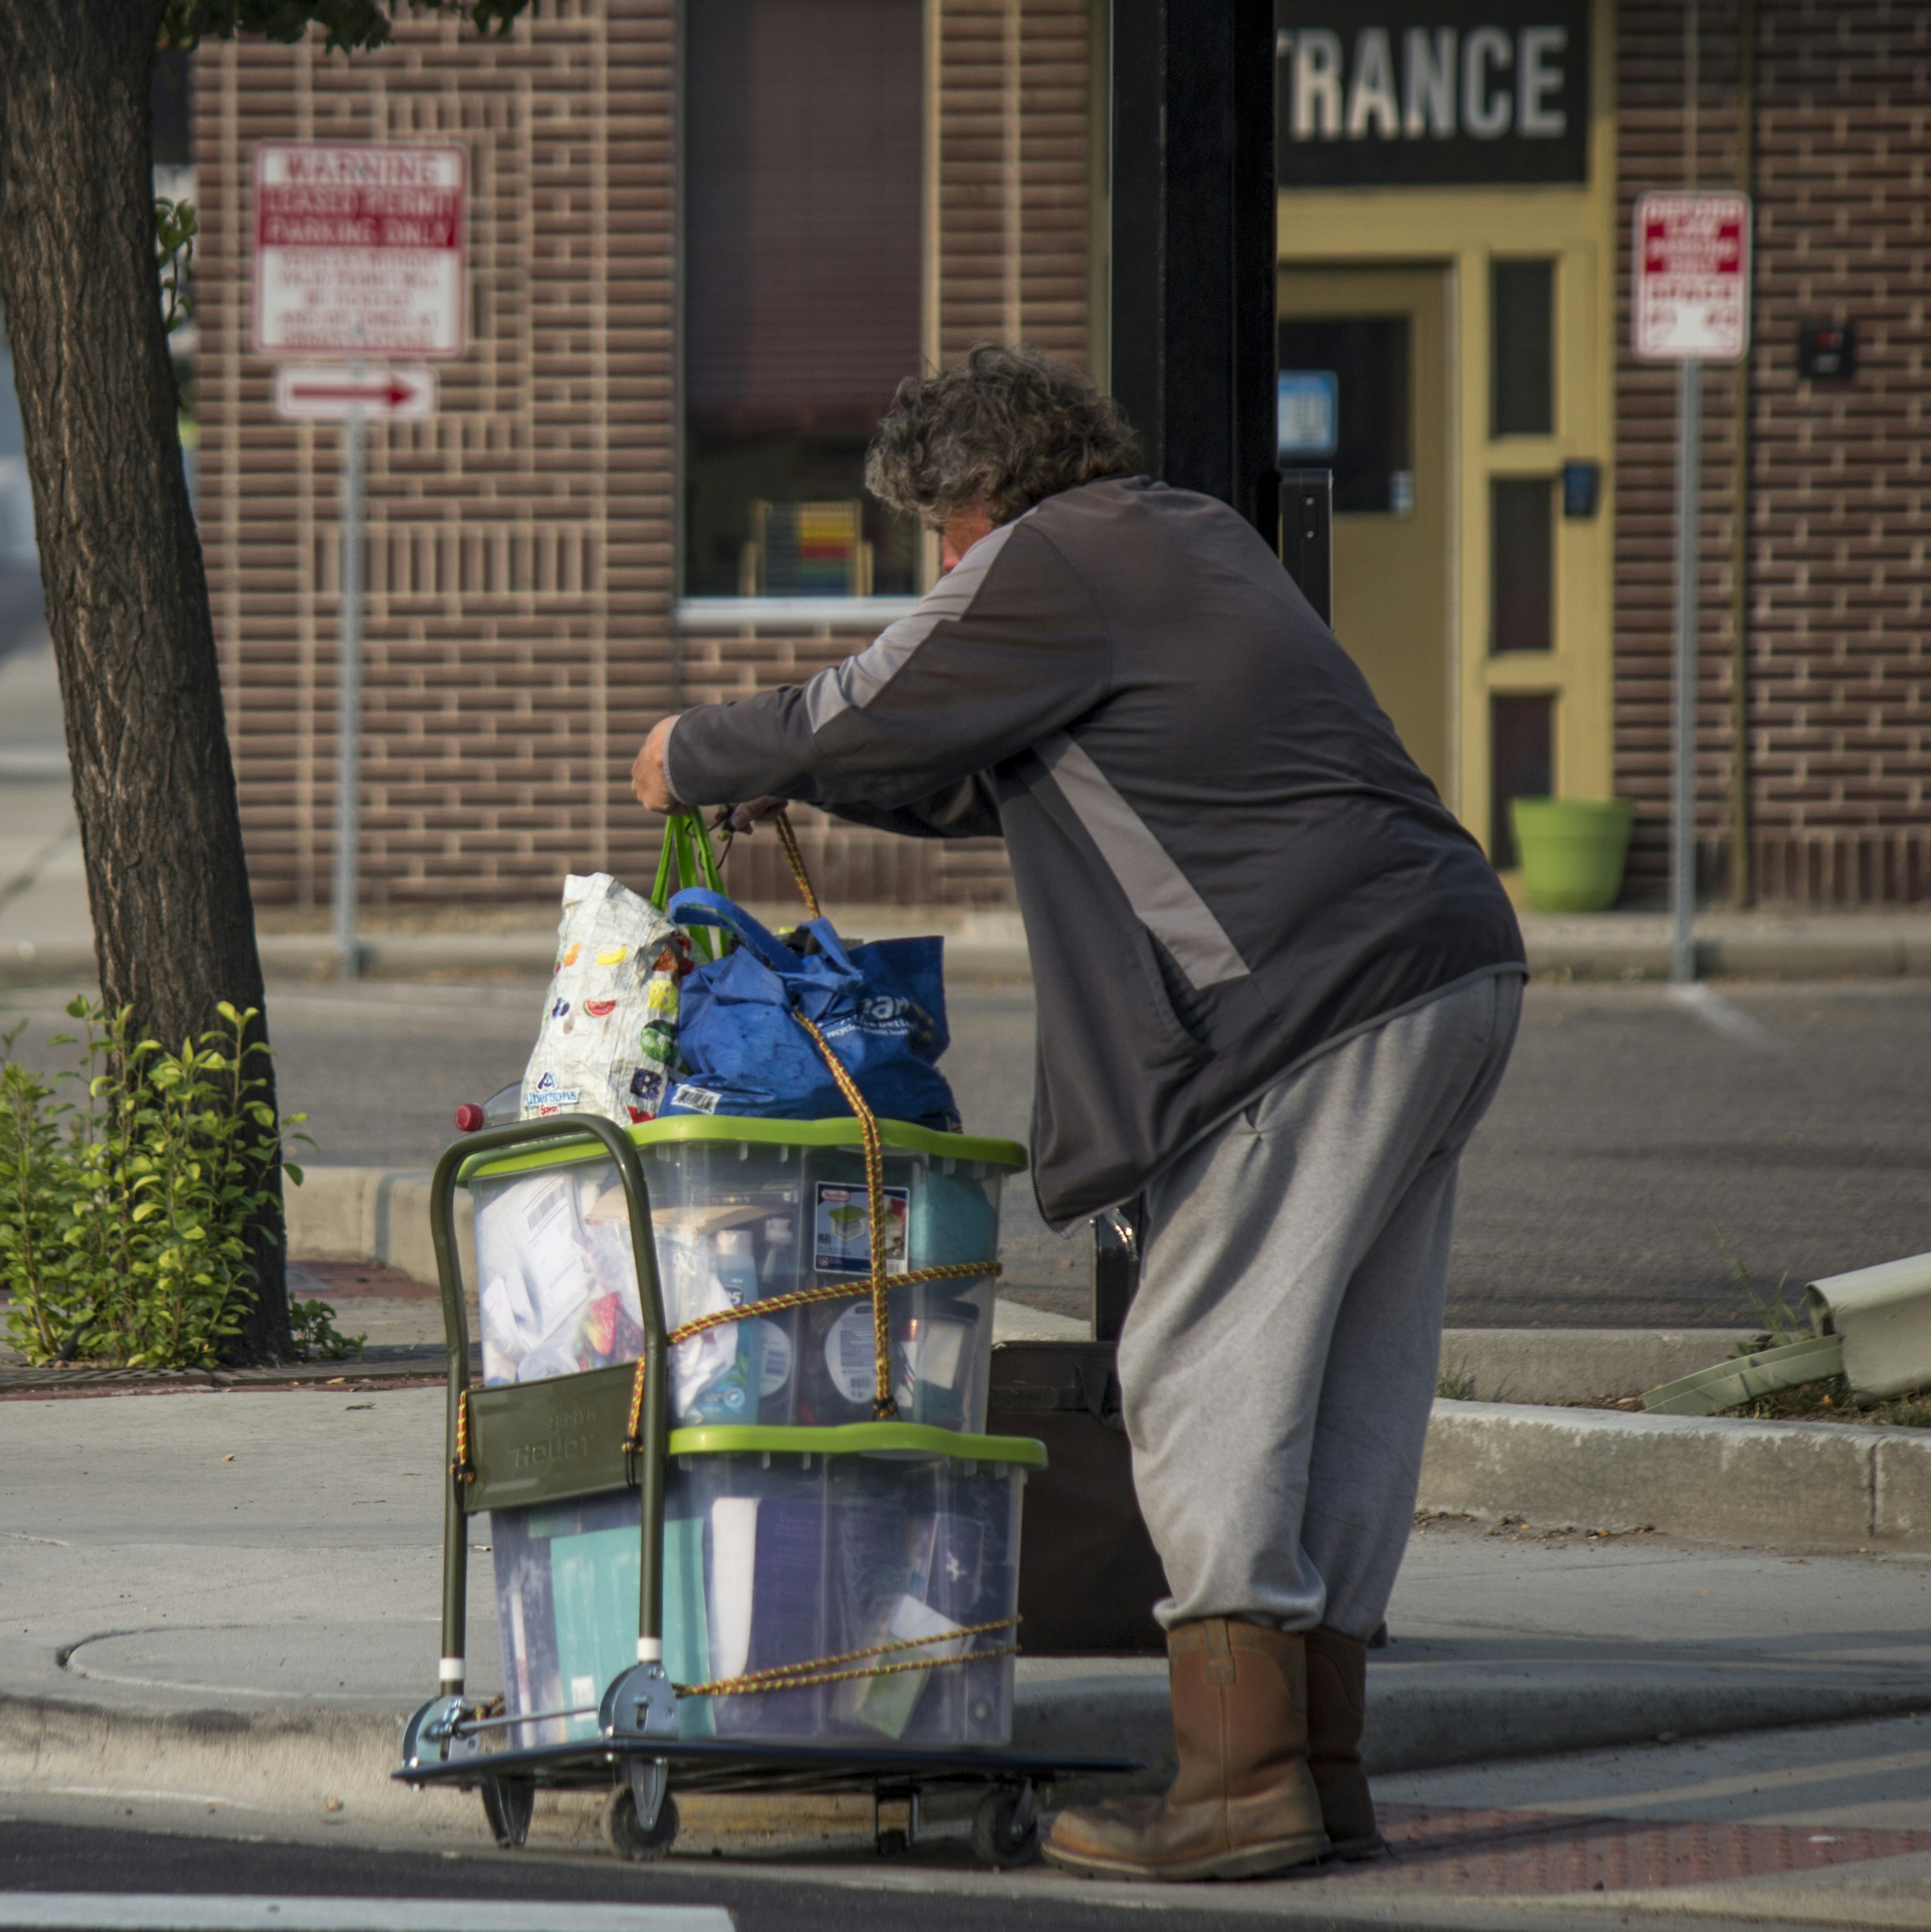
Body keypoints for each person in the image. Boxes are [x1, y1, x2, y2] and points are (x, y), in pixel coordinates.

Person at [629, 344, 1525, 1883]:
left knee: (1207, 1363)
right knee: (1356, 1369)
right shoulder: (1184, 537)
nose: (939, 573)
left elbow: (873, 699)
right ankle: (1322, 1759)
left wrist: (697, 752)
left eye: (936, 540)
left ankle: (1235, 1786)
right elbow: (982, 769)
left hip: (1296, 1003)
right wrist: (817, 782)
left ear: (972, 495)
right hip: (1446, 961)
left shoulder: (1050, 559)